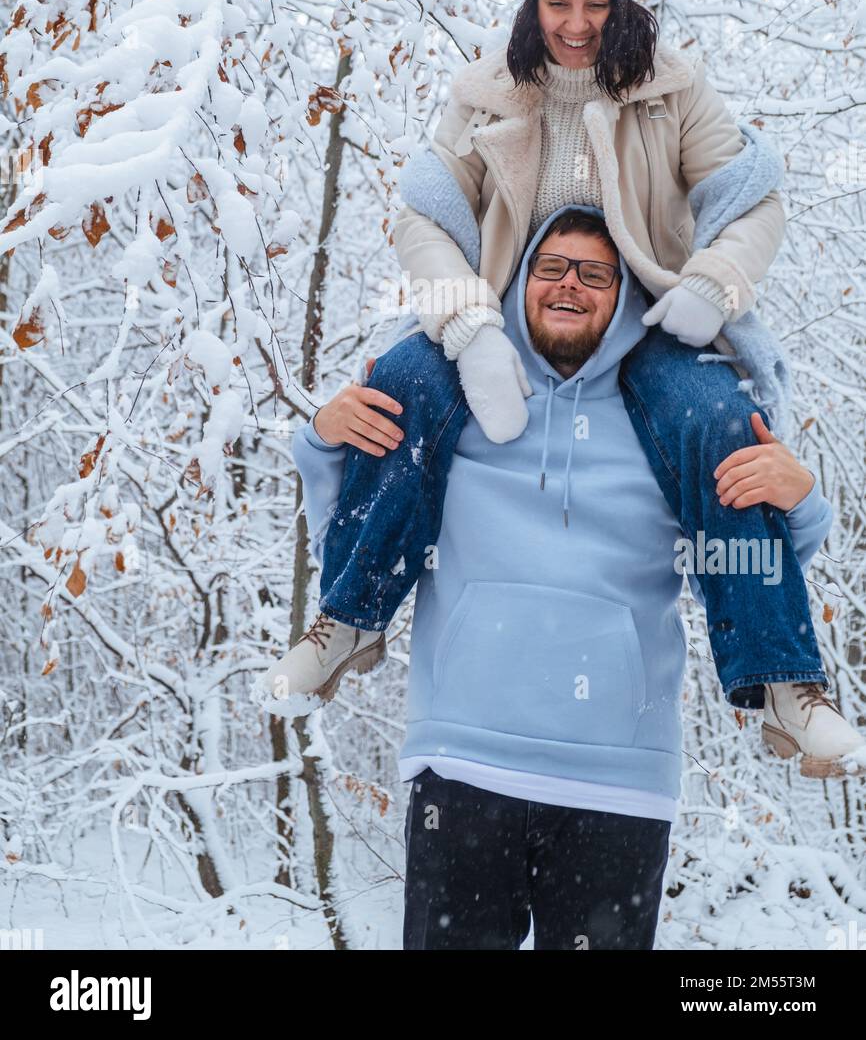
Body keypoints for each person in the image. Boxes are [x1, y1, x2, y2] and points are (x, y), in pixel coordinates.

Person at [251, 0, 865, 767]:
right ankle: (346, 617)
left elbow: (756, 201)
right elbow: (423, 215)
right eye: (556, 2)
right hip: (506, 307)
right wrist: (465, 325)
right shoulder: (486, 93)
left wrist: (709, 284)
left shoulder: (675, 89)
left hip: (649, 314)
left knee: (718, 419)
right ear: (529, 2)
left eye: (595, 2)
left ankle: (784, 679)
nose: (575, 23)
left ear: (623, 4)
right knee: (403, 383)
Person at [272, 205, 865, 949]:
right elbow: (352, 541)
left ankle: (788, 690)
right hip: (462, 767)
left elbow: (741, 561)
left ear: (625, 293)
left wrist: (802, 500)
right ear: (518, 279)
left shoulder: (671, 417)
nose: (570, 285)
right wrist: (320, 442)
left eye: (595, 273)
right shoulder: (459, 402)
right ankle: (342, 635)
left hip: (620, 785)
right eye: (551, 266)